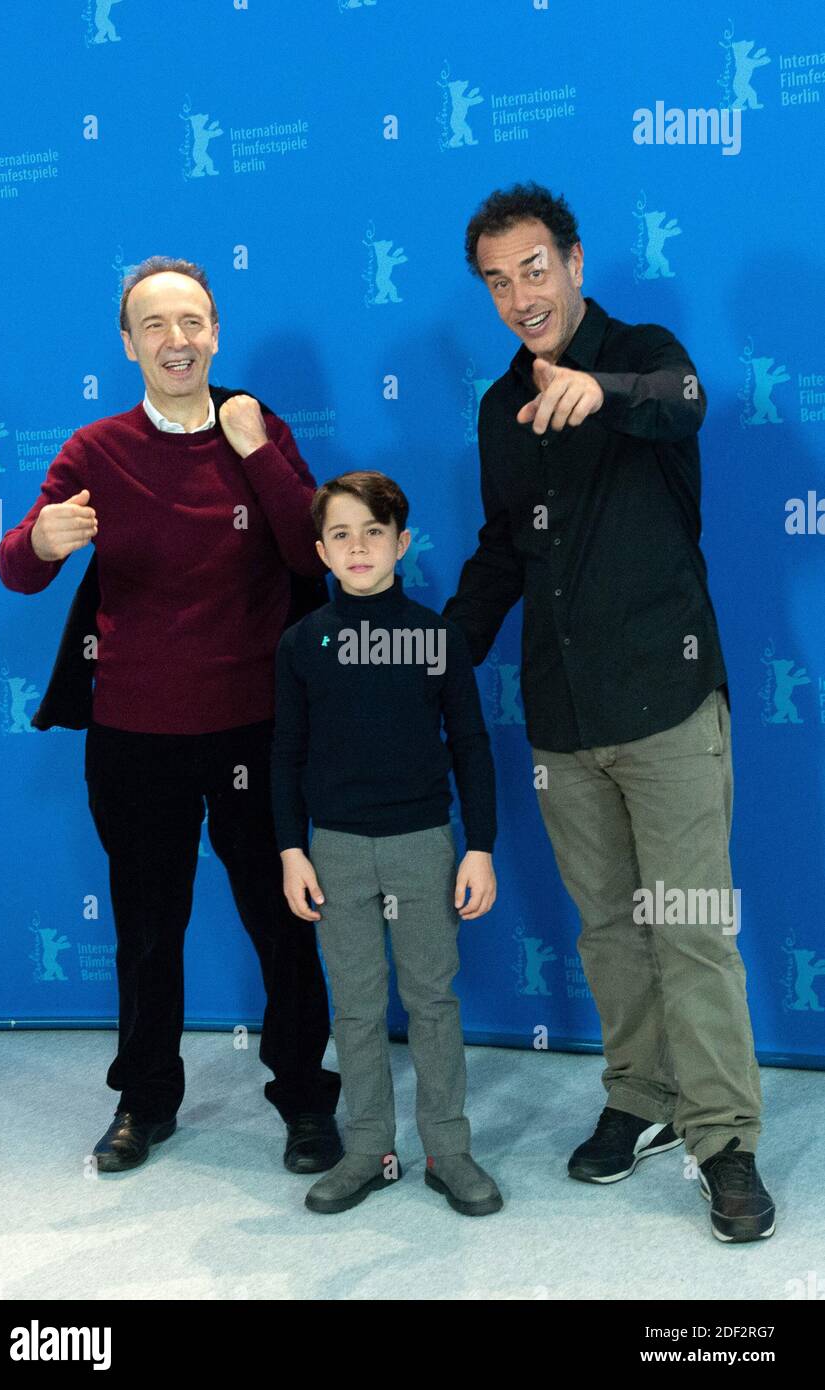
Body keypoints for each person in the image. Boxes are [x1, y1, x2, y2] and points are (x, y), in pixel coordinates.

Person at [442, 183, 774, 1243]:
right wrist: (434, 650)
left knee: (689, 931)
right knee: (608, 930)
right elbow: (505, 547)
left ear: (574, 262)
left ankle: (722, 1139)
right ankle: (641, 1096)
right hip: (562, 716)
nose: (518, 295)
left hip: (667, 698)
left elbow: (683, 400)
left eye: (533, 269)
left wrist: (602, 389)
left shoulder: (644, 354)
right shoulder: (500, 407)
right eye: (497, 281)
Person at [0, 256, 342, 1174]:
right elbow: (16, 568)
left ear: (215, 332)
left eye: (191, 322)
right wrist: (41, 538)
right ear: (128, 344)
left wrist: (253, 447)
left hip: (253, 730)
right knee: (147, 928)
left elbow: (313, 553)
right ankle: (144, 1103)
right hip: (135, 737)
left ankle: (306, 1100)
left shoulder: (256, 426)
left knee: (281, 922)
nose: (176, 340)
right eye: (155, 325)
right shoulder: (94, 451)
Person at [271, 471, 503, 1216]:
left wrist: (479, 846)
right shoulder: (302, 643)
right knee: (357, 1005)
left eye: (374, 532)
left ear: (401, 543)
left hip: (423, 844)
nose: (358, 546)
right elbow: (285, 752)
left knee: (431, 999)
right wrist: (290, 849)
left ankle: (448, 1149)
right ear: (319, 551)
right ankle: (368, 1147)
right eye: (340, 534)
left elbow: (469, 744)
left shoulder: (437, 638)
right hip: (334, 849)